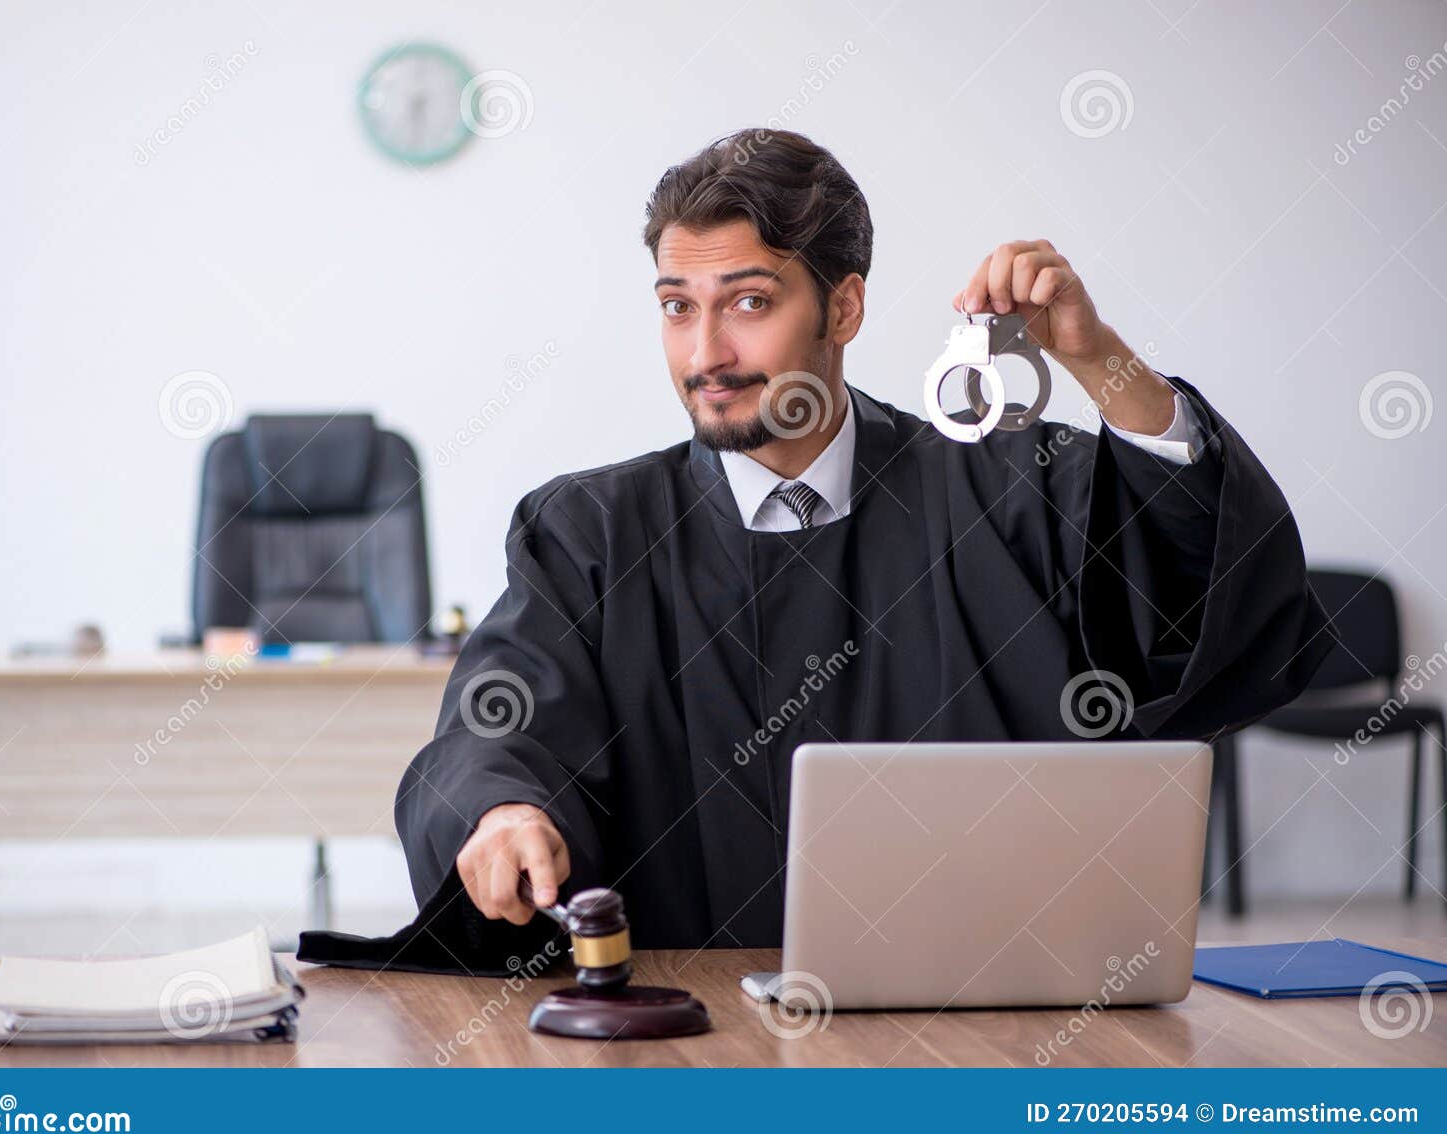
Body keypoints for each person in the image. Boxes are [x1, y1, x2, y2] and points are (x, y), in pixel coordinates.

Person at [394, 128, 1334, 966]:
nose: (705, 354)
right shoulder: (588, 533)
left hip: (1008, 1022)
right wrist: (503, 809)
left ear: (843, 310)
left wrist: (1097, 361)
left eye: (749, 301)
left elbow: (1199, 581)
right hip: (695, 1041)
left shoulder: (1011, 491)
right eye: (678, 307)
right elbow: (496, 722)